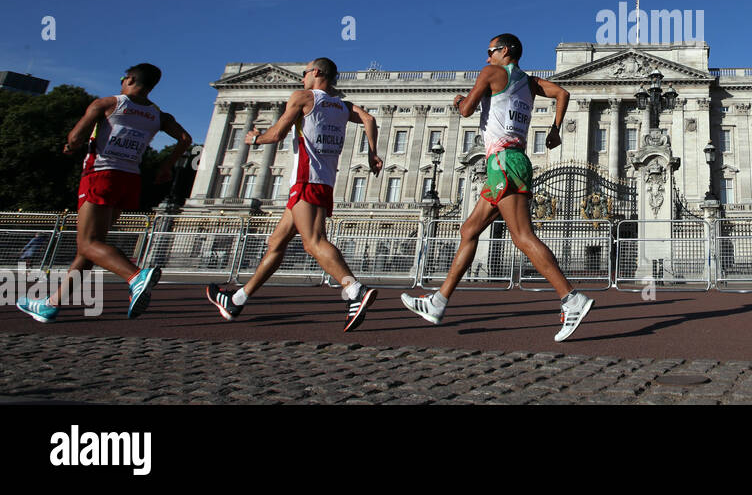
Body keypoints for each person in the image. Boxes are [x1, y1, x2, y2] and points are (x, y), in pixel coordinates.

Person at [400, 34, 594, 342]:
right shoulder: (530, 82)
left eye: (491, 50)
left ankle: (571, 298)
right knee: (469, 231)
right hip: (507, 162)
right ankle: (438, 303)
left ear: (504, 51)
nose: (487, 55)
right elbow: (562, 93)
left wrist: (459, 102)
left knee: (522, 235)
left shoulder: (491, 72)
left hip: (503, 162)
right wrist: (554, 130)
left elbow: (465, 110)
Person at [204, 58, 383, 331]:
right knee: (276, 242)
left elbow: (277, 134)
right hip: (323, 181)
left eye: (305, 72)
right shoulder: (342, 106)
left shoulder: (303, 97)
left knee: (313, 242)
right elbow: (369, 119)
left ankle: (355, 289)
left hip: (305, 179)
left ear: (317, 73)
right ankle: (237, 299)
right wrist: (372, 153)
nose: (302, 78)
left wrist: (255, 138)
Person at [17, 64, 191, 322]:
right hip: (130, 178)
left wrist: (69, 146)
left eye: (123, 78)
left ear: (130, 79)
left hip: (100, 174)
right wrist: (166, 165)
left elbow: (75, 138)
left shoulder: (107, 103)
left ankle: (135, 276)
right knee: (89, 248)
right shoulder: (158, 115)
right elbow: (185, 139)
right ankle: (52, 304)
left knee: (87, 243)